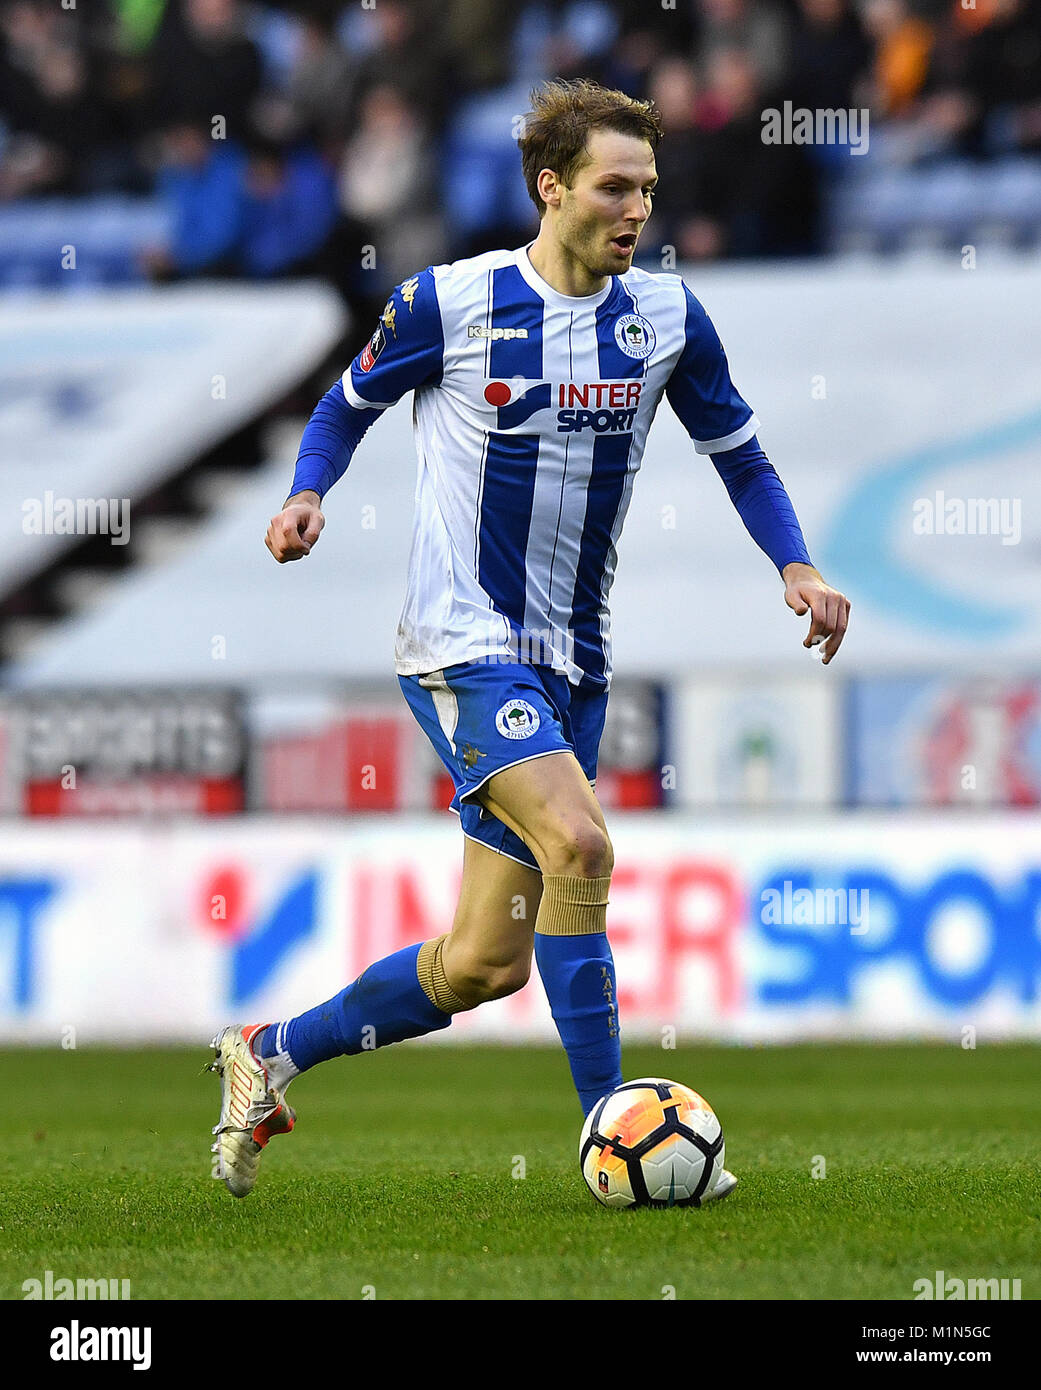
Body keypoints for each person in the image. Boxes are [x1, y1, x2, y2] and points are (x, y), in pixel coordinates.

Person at [208, 78, 850, 1201]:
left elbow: (739, 453)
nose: (636, 208)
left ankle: (267, 1053)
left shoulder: (668, 319)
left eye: (648, 188)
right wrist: (308, 493)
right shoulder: (449, 304)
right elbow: (344, 403)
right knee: (585, 848)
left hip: (574, 663)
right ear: (550, 188)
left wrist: (794, 564)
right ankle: (614, 1128)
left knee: (480, 964)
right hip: (462, 644)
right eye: (614, 186)